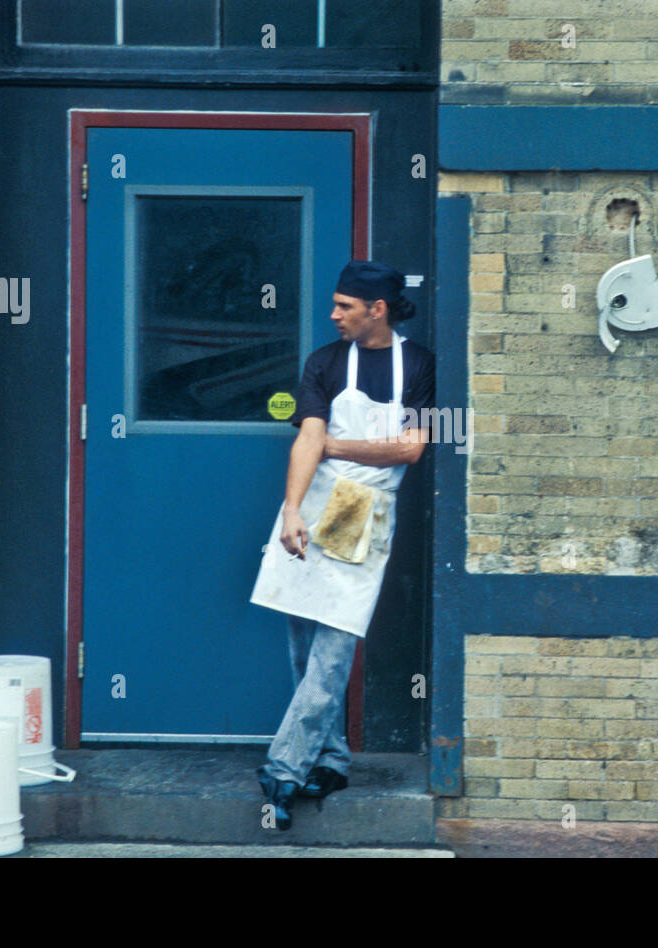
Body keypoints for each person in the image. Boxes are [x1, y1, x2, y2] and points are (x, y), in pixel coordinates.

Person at [249, 260, 435, 830]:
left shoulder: (417, 364)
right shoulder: (324, 362)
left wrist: (336, 445)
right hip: (314, 502)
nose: (333, 315)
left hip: (364, 510)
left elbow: (410, 449)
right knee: (302, 643)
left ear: (376, 309)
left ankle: (283, 770)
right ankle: (328, 760)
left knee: (333, 650)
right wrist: (291, 511)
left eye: (344, 307)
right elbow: (309, 438)